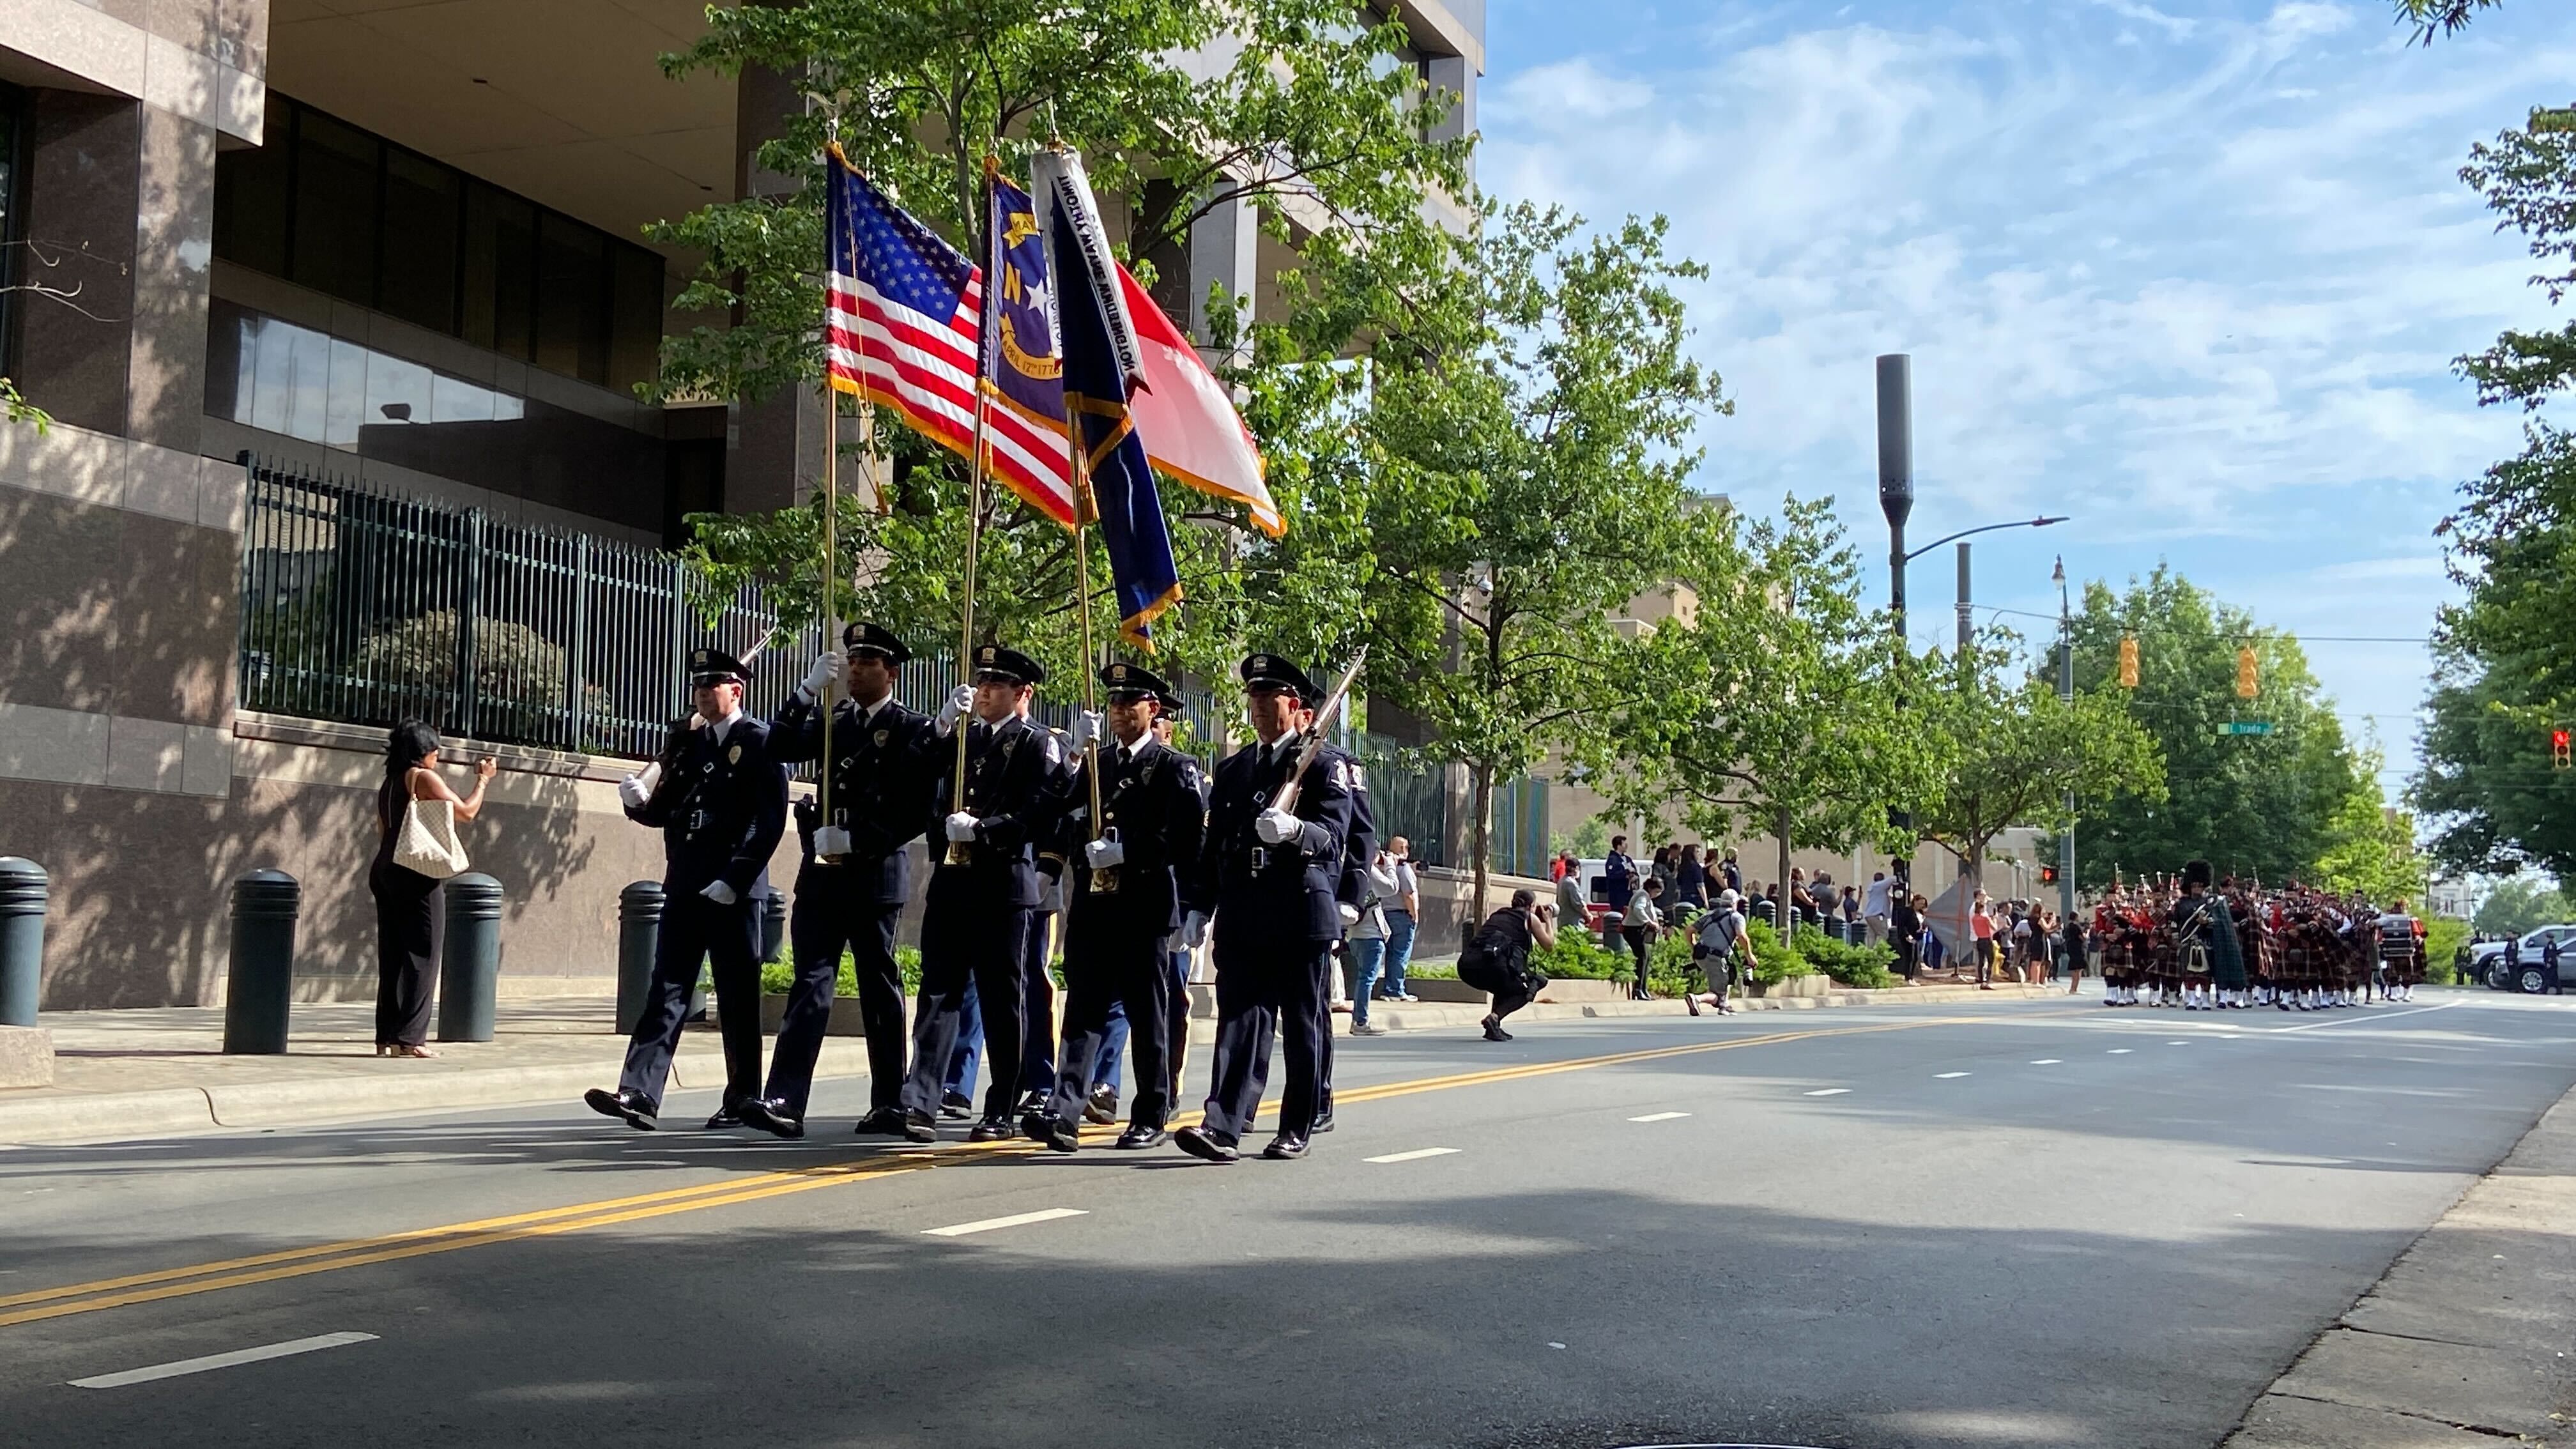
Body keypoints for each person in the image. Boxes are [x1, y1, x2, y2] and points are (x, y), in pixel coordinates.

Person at [739, 623, 932, 1141]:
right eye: (852, 661)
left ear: (891, 672)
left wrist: (860, 840)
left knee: (879, 989)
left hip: (873, 875)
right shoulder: (833, 720)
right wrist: (802, 693)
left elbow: (919, 807)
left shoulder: (910, 728)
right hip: (824, 877)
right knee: (810, 984)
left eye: (869, 663)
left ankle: (890, 1100)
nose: (856, 670)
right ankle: (785, 1099)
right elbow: (776, 746)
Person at [585, 648, 788, 1131]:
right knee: (667, 988)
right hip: (686, 882)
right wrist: (637, 804)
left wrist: (735, 880)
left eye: (711, 685)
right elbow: (667, 810)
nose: (701, 693)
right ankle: (639, 1092)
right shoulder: (689, 743)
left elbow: (769, 823)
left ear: (736, 691)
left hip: (733, 889)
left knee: (737, 998)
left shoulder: (759, 741)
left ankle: (742, 1097)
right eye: (698, 685)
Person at [1174, 653, 1358, 1165]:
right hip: (1244, 911)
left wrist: (1298, 831)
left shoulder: (1324, 764)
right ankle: (1223, 1126)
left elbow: (1336, 838)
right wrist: (1198, 906)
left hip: (1299, 910)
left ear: (1294, 705)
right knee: (1240, 1023)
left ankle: (1296, 1124)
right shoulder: (1234, 770)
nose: (1256, 706)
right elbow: (1216, 848)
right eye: (1252, 696)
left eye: (1267, 697)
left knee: (1301, 1025)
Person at [1022, 661, 1206, 1153]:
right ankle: (1064, 1110)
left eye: (1131, 703)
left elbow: (1186, 840)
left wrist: (1134, 852)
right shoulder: (1096, 763)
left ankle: (1150, 1113)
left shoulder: (1174, 767)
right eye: (1115, 703)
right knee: (1082, 1011)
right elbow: (1050, 807)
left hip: (1144, 906)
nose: (1121, 711)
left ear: (1154, 709)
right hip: (1094, 905)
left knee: (1147, 1016)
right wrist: (1074, 761)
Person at [897, 644, 1067, 1144]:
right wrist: (942, 723)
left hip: (1002, 886)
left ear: (1023, 694)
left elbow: (1043, 809)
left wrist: (987, 829)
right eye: (982, 683)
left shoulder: (1037, 743)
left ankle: (1001, 1105)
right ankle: (921, 1101)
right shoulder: (963, 738)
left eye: (997, 685)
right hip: (953, 883)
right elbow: (915, 768)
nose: (986, 691)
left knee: (1001, 999)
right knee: (938, 993)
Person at [370, 721, 494, 1059]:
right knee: (424, 954)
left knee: (393, 954)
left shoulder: (389, 783)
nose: (437, 756)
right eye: (434, 750)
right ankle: (411, 1039)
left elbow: (384, 830)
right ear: (422, 752)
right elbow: (466, 813)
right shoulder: (422, 777)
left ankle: (388, 1037)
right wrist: (483, 780)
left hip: (384, 868)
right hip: (415, 873)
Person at [1459, 889, 1556, 1040]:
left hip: (1467, 966)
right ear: (1531, 906)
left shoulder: (1498, 914)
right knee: (1529, 988)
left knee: (1503, 985)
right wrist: (1549, 921)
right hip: (1495, 966)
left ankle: (1494, 1028)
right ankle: (1495, 1018)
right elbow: (1549, 946)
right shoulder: (1529, 918)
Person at [2172, 859, 2245, 1011]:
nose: (2197, 889)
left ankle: (2205, 1000)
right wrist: (2175, 938)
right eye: (2194, 886)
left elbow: (2218, 922)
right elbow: (2175, 922)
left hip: (2206, 941)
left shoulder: (2212, 902)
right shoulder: (2182, 903)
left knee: (2206, 973)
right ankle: (2191, 999)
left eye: (2200, 885)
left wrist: (2207, 922)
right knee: (2189, 973)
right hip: (2188, 941)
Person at [1346, 843, 1399, 1036]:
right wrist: (1391, 865)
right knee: (1366, 979)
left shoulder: (1351, 869)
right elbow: (1392, 887)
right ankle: (1360, 1022)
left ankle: (1360, 1020)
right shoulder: (1370, 870)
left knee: (1363, 977)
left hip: (1355, 934)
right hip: (1371, 935)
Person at [1688, 889, 1753, 1016]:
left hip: (1700, 955)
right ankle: (1697, 999)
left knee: (1728, 974)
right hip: (1715, 956)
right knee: (1717, 993)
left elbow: (1689, 930)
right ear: (1735, 902)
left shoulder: (1709, 915)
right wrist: (1749, 956)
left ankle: (1725, 1005)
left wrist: (1694, 946)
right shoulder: (1737, 917)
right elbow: (1742, 936)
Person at [1377, 837, 1421, 1004]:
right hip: (1402, 915)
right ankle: (1396, 990)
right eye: (1405, 847)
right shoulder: (1404, 869)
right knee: (1401, 954)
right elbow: (1409, 895)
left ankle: (1389, 989)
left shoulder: (1381, 866)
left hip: (1384, 913)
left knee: (1389, 953)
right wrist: (1414, 915)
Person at [1620, 875, 1665, 1000]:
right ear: (1650, 888)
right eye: (1656, 892)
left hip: (1639, 930)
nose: (1657, 895)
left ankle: (1643, 988)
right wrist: (1649, 922)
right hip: (1634, 930)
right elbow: (1639, 909)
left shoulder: (1645, 896)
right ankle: (1638, 989)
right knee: (1643, 958)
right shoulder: (1643, 895)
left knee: (1647, 958)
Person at [1891, 890, 1924, 983]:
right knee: (1910, 957)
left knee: (1916, 957)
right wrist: (1907, 935)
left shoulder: (1921, 913)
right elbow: (1902, 924)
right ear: (1915, 902)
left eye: (1923, 904)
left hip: (1916, 936)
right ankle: (1907, 977)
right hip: (1907, 937)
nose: (1921, 905)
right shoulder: (1907, 911)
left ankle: (1911, 976)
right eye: (1920, 903)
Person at [2062, 909, 2089, 997]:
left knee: (2074, 968)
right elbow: (2083, 938)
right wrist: (2087, 932)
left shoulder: (2068, 926)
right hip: (2078, 948)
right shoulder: (2077, 926)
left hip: (2071, 947)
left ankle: (2073, 988)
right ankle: (2074, 988)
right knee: (2078, 968)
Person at [1862, 870, 1892, 947]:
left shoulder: (1873, 887)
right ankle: (1878, 951)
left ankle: (1869, 951)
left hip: (1869, 914)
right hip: (1877, 914)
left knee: (1872, 934)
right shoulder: (1879, 886)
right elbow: (1892, 879)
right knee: (1883, 934)